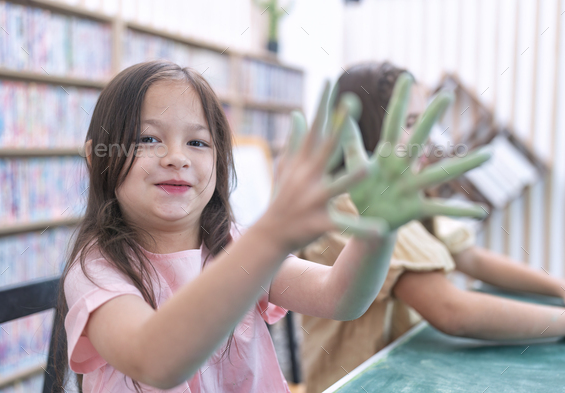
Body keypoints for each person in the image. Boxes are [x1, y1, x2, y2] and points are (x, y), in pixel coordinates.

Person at [52, 60, 486, 392]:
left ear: (221, 163)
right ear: (96, 159)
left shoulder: (230, 244)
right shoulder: (96, 271)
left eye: (198, 142)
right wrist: (272, 233)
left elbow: (341, 296)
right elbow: (155, 360)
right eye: (148, 138)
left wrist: (378, 229)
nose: (176, 157)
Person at [299, 61, 565, 393]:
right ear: (366, 131)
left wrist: (559, 288)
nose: (425, 136)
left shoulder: (409, 196)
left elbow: (470, 258)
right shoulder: (348, 207)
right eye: (410, 122)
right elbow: (452, 311)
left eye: (426, 120)